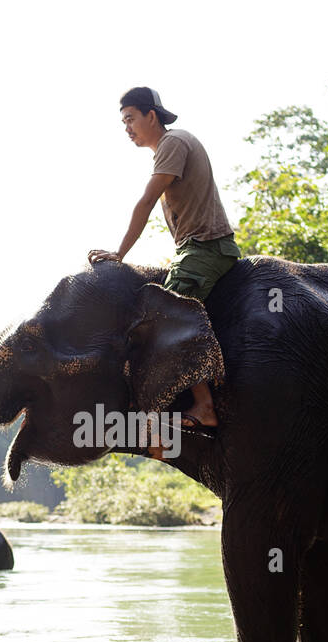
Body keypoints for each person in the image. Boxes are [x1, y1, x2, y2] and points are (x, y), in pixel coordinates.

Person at [88, 86, 240, 432]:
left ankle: (203, 405)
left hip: (205, 247)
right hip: (196, 249)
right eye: (123, 122)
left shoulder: (173, 144)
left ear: (151, 116)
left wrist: (119, 254)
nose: (127, 128)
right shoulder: (171, 148)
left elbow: (145, 202)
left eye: (130, 119)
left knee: (164, 319)